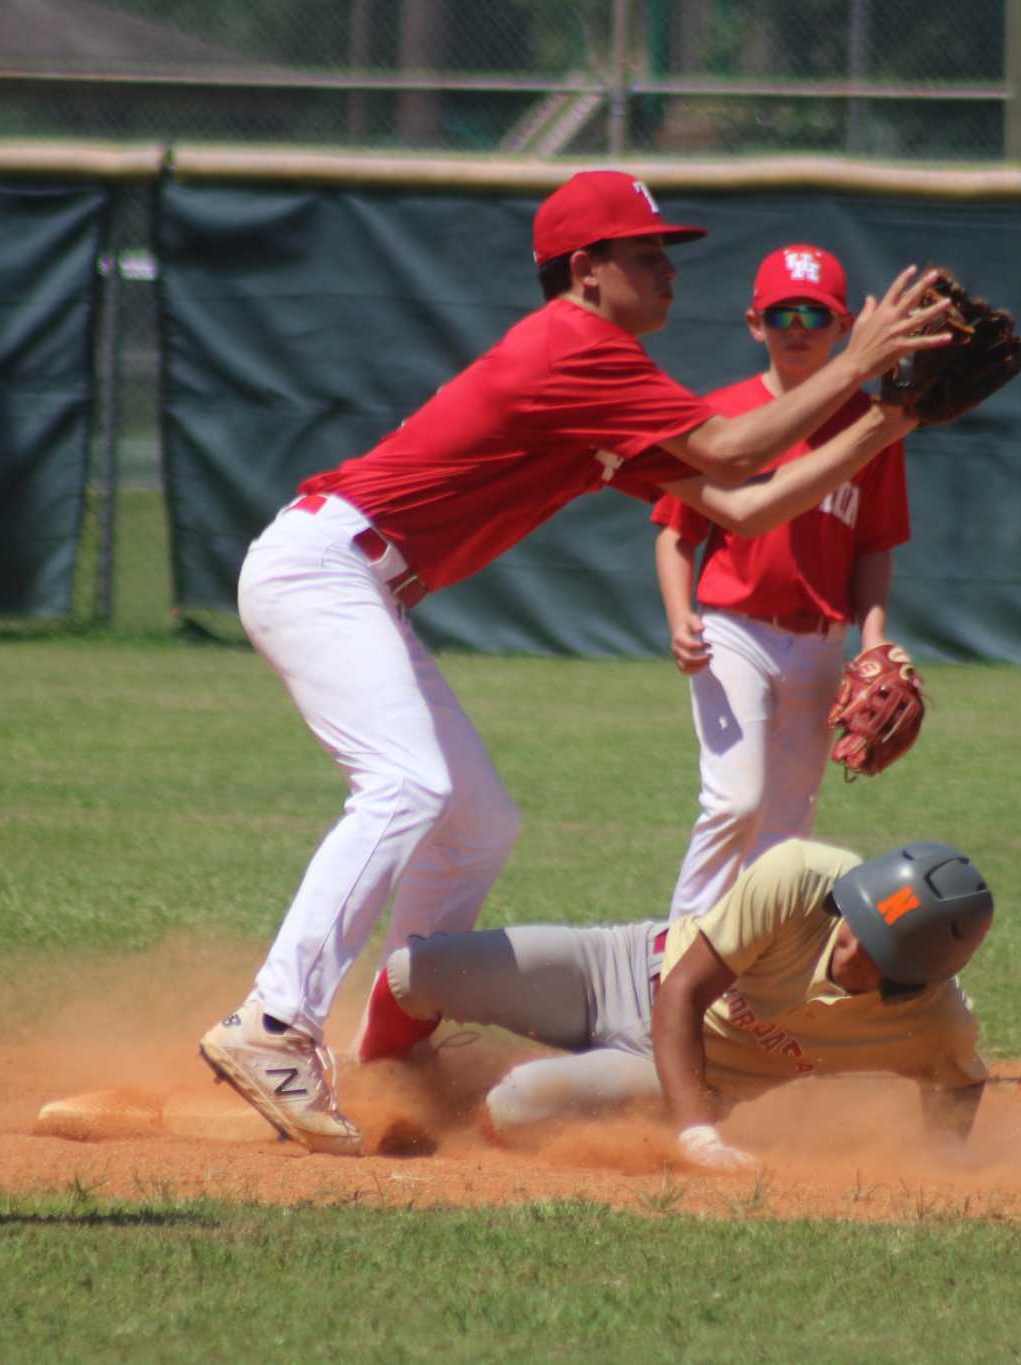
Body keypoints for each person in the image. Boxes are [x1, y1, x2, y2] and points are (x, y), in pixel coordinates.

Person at [198, 169, 957, 1156]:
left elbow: (740, 506)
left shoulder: (604, 377)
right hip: (321, 566)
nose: (667, 272)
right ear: (587, 270)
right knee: (406, 784)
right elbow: (731, 454)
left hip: (358, 580)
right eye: (646, 254)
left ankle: (391, 1051)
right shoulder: (575, 343)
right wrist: (855, 364)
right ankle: (272, 1022)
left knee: (475, 824)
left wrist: (888, 422)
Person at [355, 839, 994, 1171]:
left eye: (872, 954)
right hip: (628, 966)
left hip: (686, 1078)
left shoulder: (934, 1021)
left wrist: (943, 1155)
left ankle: (454, 1110)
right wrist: (697, 1135)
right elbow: (685, 990)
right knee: (416, 972)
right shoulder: (803, 876)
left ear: (915, 978)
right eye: (853, 922)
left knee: (516, 1107)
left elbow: (960, 1081)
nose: (848, 946)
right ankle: (372, 1090)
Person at [652, 244, 911, 922]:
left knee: (787, 826)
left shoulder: (872, 424)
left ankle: (747, 977)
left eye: (815, 315)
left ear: (846, 326)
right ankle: (670, 964)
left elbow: (875, 544)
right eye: (782, 314)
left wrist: (874, 640)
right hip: (731, 629)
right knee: (734, 802)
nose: (797, 327)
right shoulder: (722, 414)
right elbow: (677, 531)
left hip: (821, 641)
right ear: (753, 323)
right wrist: (680, 614)